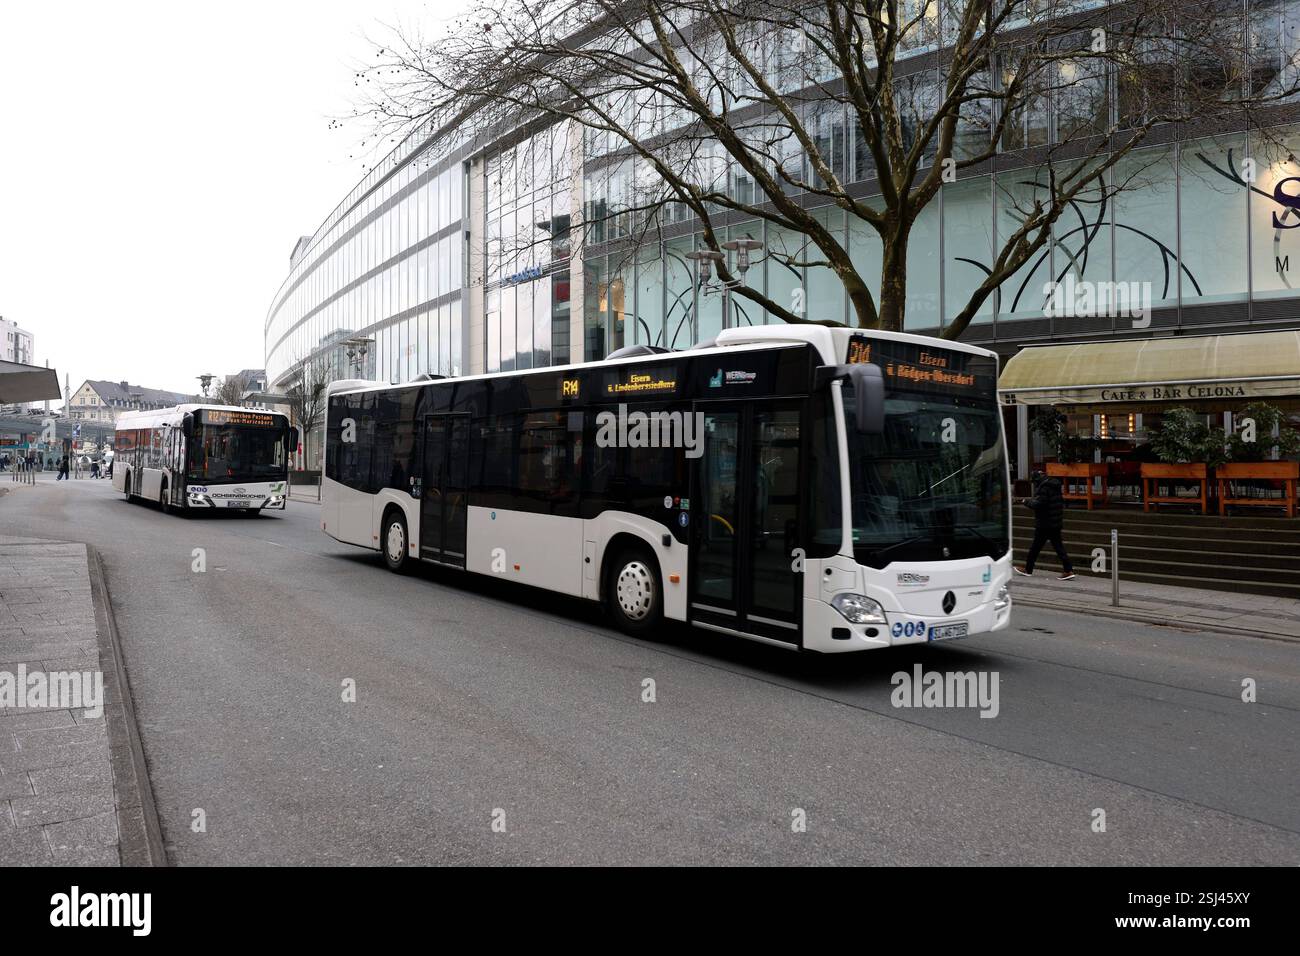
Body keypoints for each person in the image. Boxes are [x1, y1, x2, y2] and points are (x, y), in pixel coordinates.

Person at [1014, 469, 1075, 580]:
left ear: (1037, 480)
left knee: (1035, 547)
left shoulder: (1044, 488)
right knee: (1057, 547)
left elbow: (1038, 504)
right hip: (1054, 522)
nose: (1035, 484)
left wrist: (1025, 501)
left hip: (1045, 523)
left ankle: (1028, 569)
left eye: (1034, 482)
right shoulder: (1054, 485)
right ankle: (1068, 570)